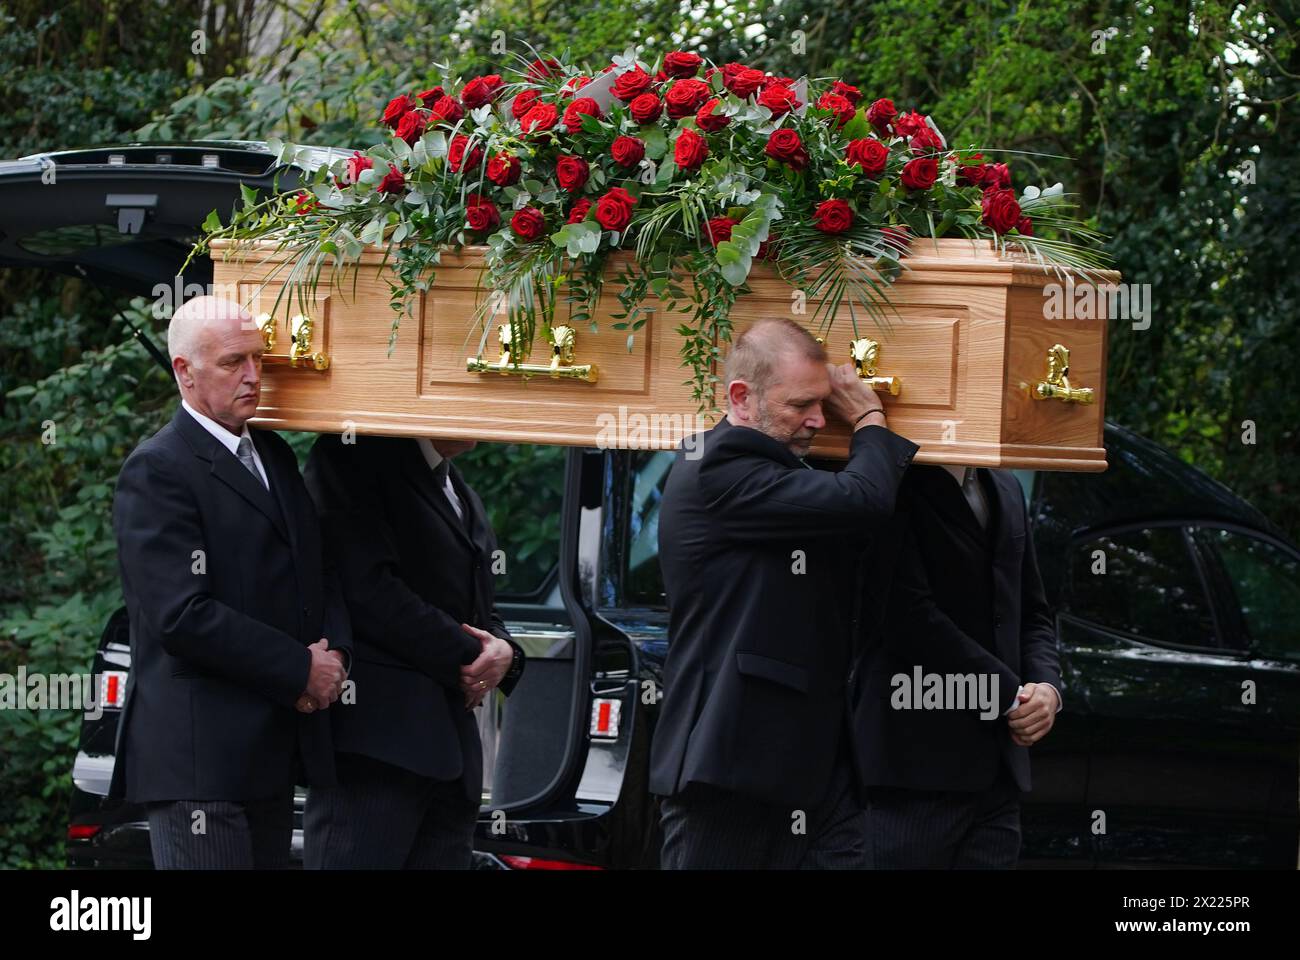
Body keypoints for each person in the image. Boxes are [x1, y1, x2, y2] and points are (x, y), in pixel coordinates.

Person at [649, 316, 918, 869]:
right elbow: (863, 499)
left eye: (825, 403)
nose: (821, 420)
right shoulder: (718, 465)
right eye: (801, 405)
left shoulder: (779, 470)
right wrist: (869, 417)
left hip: (811, 765)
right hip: (729, 766)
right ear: (741, 398)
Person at [111, 295, 351, 869]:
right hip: (201, 763)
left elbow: (318, 571)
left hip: (270, 750)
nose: (252, 376)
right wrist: (300, 667)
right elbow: (182, 615)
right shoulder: (158, 468)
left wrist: (336, 653)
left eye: (257, 359)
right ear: (184, 372)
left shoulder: (272, 452)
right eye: (231, 363)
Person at [301, 433, 526, 869]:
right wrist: (470, 656)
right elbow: (368, 590)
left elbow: (477, 606)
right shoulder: (352, 456)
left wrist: (505, 654)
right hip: (377, 752)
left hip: (452, 757)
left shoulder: (457, 486)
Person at [853, 464, 1062, 868]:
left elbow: (1031, 610)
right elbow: (908, 618)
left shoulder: (1005, 486)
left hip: (998, 775)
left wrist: (1046, 688)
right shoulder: (892, 484)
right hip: (912, 769)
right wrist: (1009, 694)